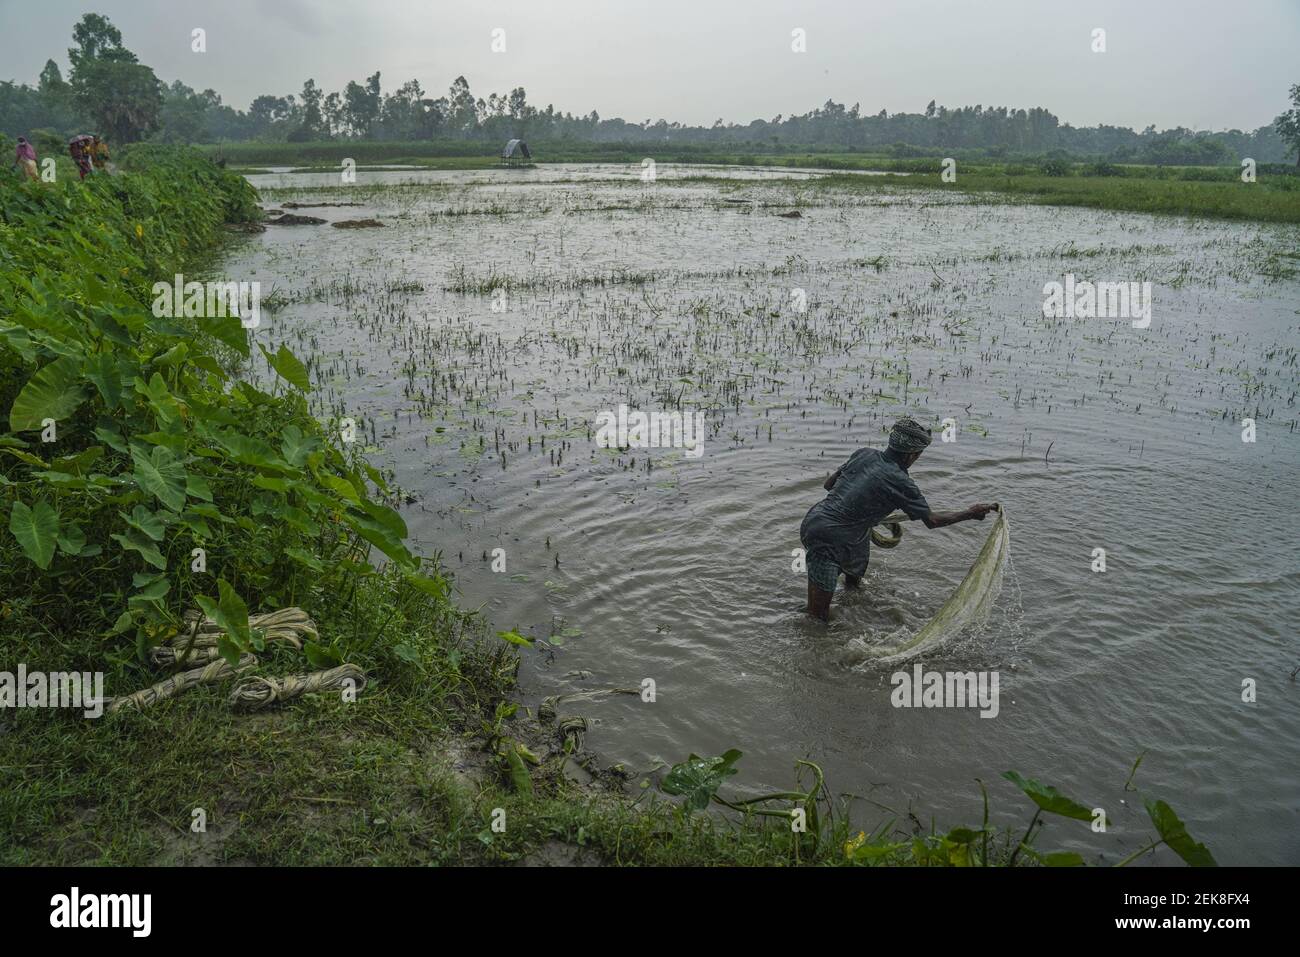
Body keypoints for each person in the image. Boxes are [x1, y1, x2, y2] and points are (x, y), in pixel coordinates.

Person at [800, 417, 998, 621]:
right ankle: (818, 639)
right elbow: (933, 521)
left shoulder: (864, 454)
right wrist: (970, 513)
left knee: (854, 579)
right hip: (829, 538)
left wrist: (864, 508)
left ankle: (853, 604)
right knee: (817, 617)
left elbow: (828, 485)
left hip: (818, 521)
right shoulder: (903, 482)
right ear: (913, 455)